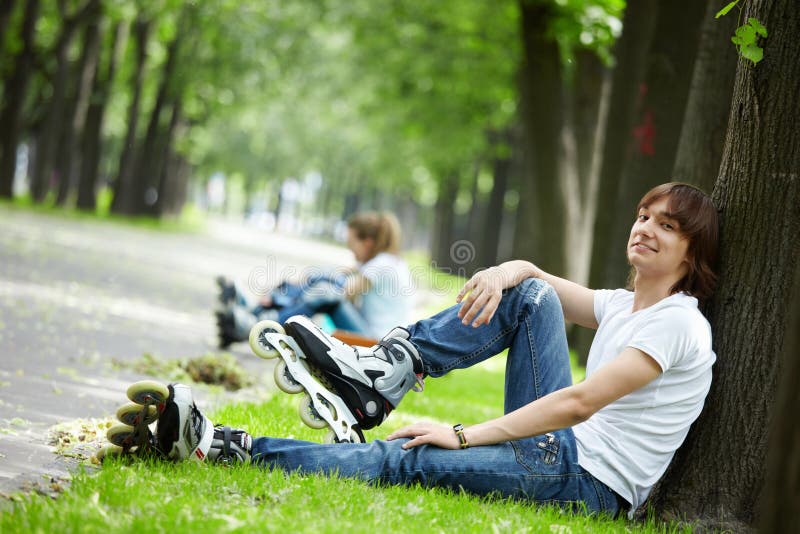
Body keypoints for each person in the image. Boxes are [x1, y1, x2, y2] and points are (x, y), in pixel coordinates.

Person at [144, 182, 719, 518]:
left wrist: (462, 433)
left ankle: (225, 448)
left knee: (406, 459)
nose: (645, 227)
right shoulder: (623, 305)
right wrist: (500, 271)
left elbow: (579, 403)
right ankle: (383, 374)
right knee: (528, 291)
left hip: (588, 482)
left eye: (666, 226)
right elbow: (534, 283)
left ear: (691, 255)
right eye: (643, 216)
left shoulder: (678, 323)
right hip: (560, 452)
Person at [215, 211, 413, 347]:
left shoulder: (381, 264)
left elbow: (346, 293)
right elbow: (339, 274)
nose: (350, 250)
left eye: (352, 244)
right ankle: (255, 315)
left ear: (368, 243)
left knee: (327, 294)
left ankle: (258, 325)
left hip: (376, 340)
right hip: (373, 333)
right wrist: (308, 278)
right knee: (323, 282)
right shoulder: (382, 262)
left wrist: (312, 284)